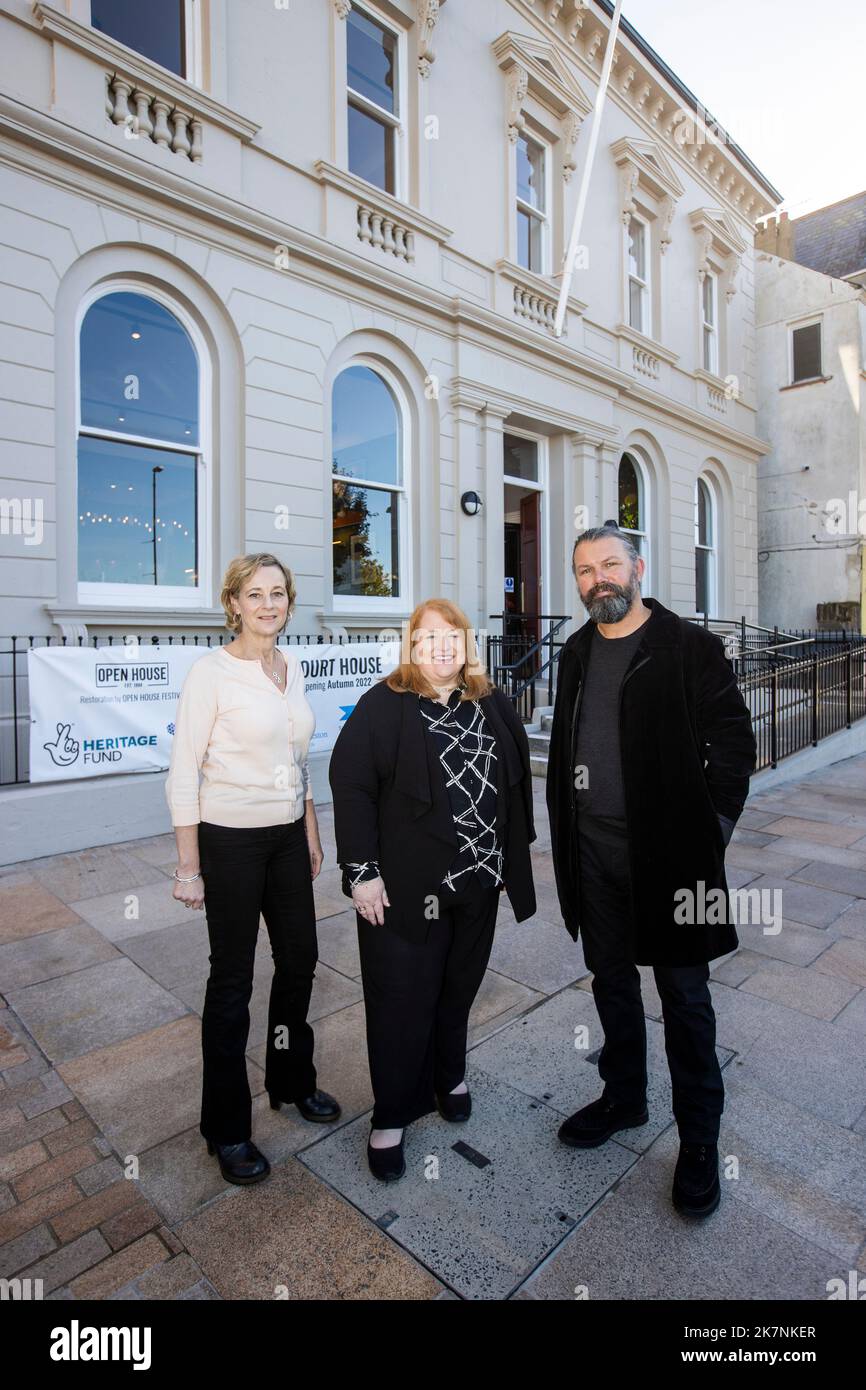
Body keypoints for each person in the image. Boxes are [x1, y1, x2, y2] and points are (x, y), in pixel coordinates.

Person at [545, 524, 756, 1218]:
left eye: (609, 565)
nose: (597, 579)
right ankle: (625, 1097)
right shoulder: (575, 652)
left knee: (686, 1000)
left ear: (637, 567)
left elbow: (732, 746)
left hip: (672, 861)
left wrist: (710, 837)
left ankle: (698, 1140)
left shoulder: (690, 648)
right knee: (610, 982)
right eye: (583, 571)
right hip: (592, 853)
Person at [328, 598, 536, 1181]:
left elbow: (516, 781)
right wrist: (361, 871)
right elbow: (350, 785)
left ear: (467, 644)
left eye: (452, 636)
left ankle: (450, 1076)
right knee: (401, 998)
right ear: (412, 646)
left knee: (458, 987)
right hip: (406, 888)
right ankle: (391, 1116)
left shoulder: (491, 701)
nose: (441, 646)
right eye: (427, 637)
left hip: (478, 882)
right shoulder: (384, 704)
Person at [165, 552, 340, 1186]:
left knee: (299, 961)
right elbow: (184, 770)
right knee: (232, 981)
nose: (268, 604)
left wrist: (311, 832)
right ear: (232, 602)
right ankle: (227, 1128)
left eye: (278, 593)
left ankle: (292, 1082)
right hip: (230, 841)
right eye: (254, 594)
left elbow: (299, 762)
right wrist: (189, 865)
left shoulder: (287, 669)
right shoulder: (209, 674)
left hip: (288, 836)